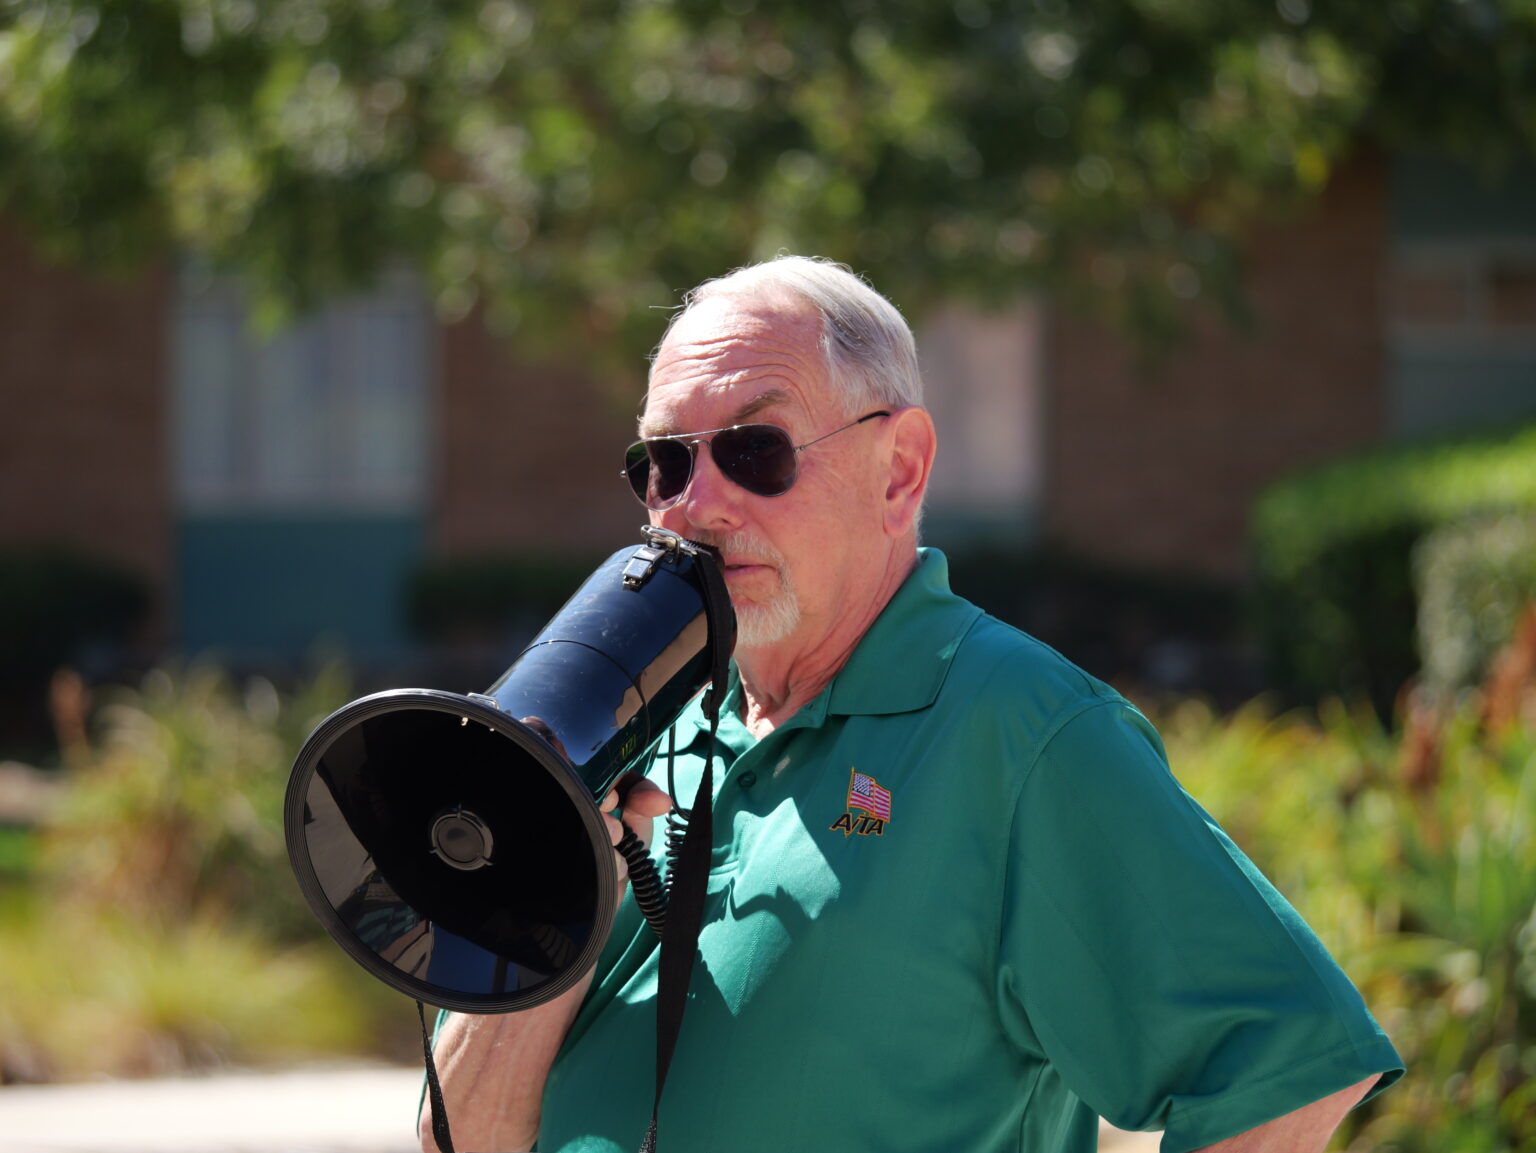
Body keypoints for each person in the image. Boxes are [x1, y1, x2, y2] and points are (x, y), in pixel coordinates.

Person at [423, 255, 1402, 1153]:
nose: (695, 505)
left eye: (755, 450)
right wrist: (546, 896)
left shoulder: (1019, 729)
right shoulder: (635, 723)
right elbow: (455, 1138)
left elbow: (1285, 1071)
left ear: (899, 470)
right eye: (664, 464)